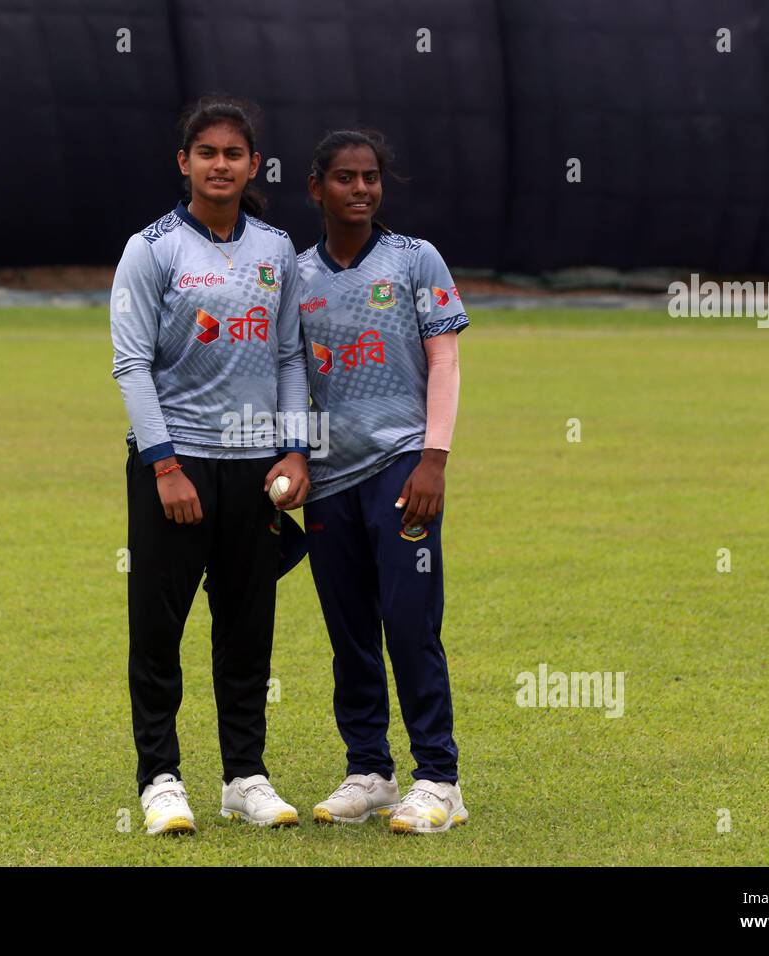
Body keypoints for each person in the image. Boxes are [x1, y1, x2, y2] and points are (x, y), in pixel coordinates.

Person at [110, 96, 310, 835]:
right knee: (159, 625)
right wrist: (165, 467)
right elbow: (131, 366)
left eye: (234, 154)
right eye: (207, 153)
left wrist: (294, 446)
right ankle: (160, 777)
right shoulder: (153, 248)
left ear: (253, 165)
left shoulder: (276, 247)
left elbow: (290, 353)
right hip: (177, 463)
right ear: (184, 162)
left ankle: (245, 776)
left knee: (247, 624)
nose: (220, 165)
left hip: (256, 466)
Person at [295, 129, 470, 834]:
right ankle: (369, 770)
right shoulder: (296, 275)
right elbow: (288, 376)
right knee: (350, 632)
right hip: (329, 476)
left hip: (403, 464)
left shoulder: (414, 259)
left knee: (409, 622)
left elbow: (446, 361)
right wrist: (293, 457)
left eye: (370, 177)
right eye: (344, 177)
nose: (360, 189)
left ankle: (439, 779)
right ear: (317, 187)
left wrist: (434, 457)